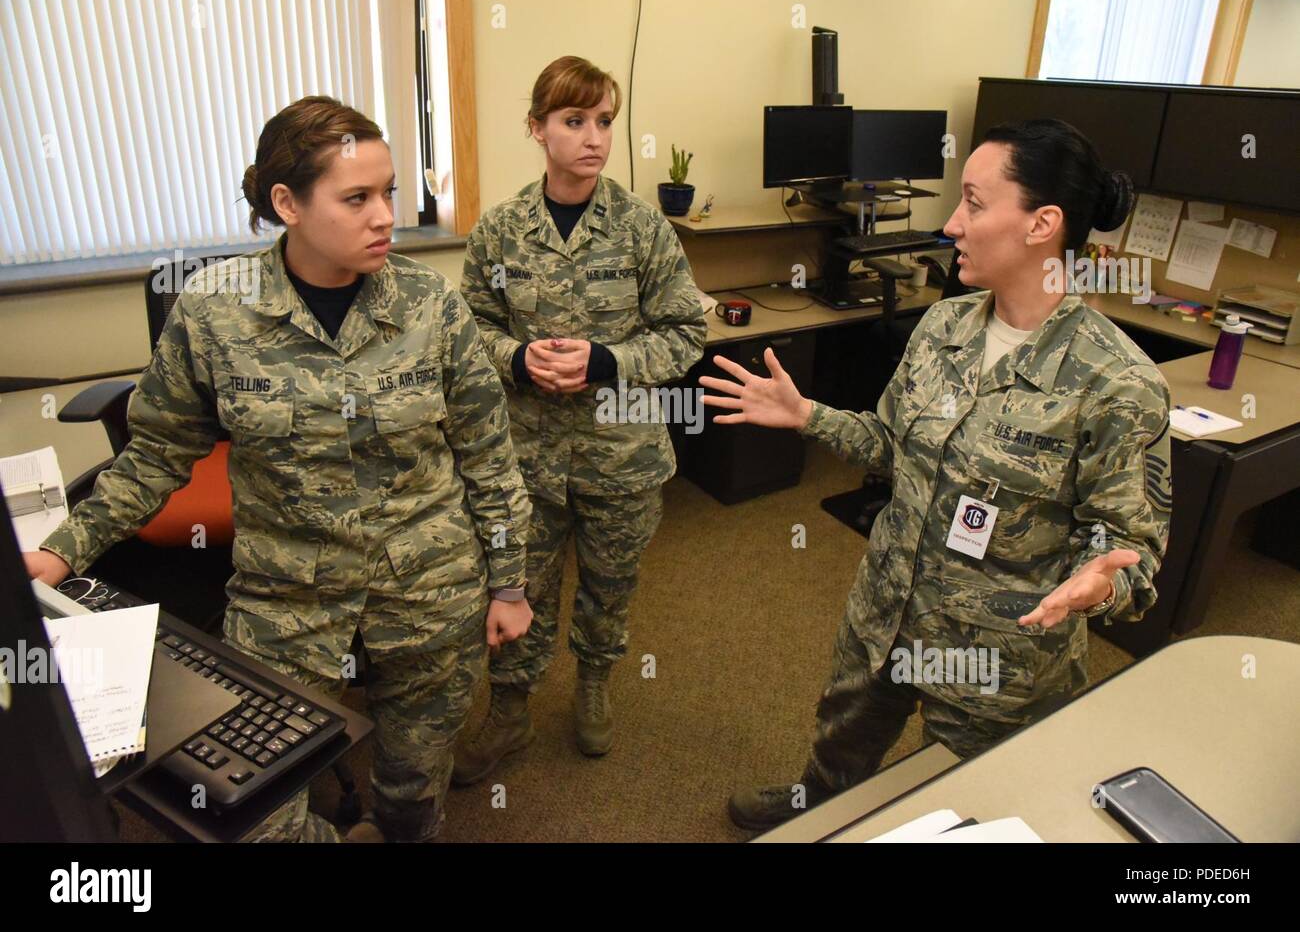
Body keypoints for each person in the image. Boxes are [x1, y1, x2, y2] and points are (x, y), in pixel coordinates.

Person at [24, 96, 534, 843]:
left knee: (412, 792)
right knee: (253, 817)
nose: (385, 215)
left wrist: (509, 584)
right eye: (356, 198)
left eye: (389, 191)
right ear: (287, 203)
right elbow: (157, 454)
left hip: (430, 590)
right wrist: (63, 547)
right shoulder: (214, 312)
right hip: (286, 598)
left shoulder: (431, 305)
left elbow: (489, 456)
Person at [702, 119, 1172, 830]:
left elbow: (1131, 559)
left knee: (958, 804)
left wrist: (1098, 583)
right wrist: (809, 416)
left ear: (1043, 224)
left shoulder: (1116, 383)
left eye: (975, 205)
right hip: (886, 611)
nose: (952, 224)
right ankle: (815, 808)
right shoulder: (943, 326)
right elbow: (891, 447)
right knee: (841, 738)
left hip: (995, 661)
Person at [455, 56, 707, 780]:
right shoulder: (501, 231)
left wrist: (606, 361)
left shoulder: (641, 228)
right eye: (574, 121)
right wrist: (515, 358)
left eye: (604, 122)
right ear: (537, 129)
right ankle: (510, 712)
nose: (593, 137)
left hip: (619, 453)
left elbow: (687, 333)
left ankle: (594, 684)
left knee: (609, 586)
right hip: (526, 458)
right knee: (519, 588)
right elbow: (468, 327)